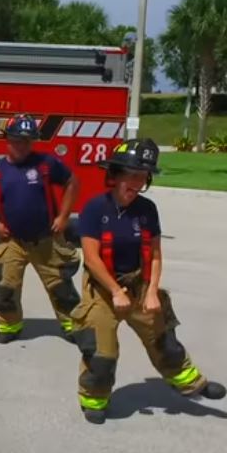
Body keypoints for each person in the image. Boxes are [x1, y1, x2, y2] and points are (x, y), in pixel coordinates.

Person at [71, 138, 225, 424]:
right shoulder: (94, 209)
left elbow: (154, 254)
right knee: (101, 353)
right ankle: (94, 399)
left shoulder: (147, 210)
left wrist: (152, 291)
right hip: (103, 289)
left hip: (139, 284)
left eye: (142, 177)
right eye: (131, 175)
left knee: (164, 341)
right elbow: (91, 258)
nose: (137, 183)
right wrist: (116, 291)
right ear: (115, 175)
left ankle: (191, 384)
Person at [0, 114, 82, 344]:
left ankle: (72, 326)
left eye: (27, 141)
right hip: (12, 242)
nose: (22, 145)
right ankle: (10, 326)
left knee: (62, 288)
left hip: (47, 240)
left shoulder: (46, 164)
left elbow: (72, 182)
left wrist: (63, 217)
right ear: (7, 140)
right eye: (17, 140)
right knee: (5, 290)